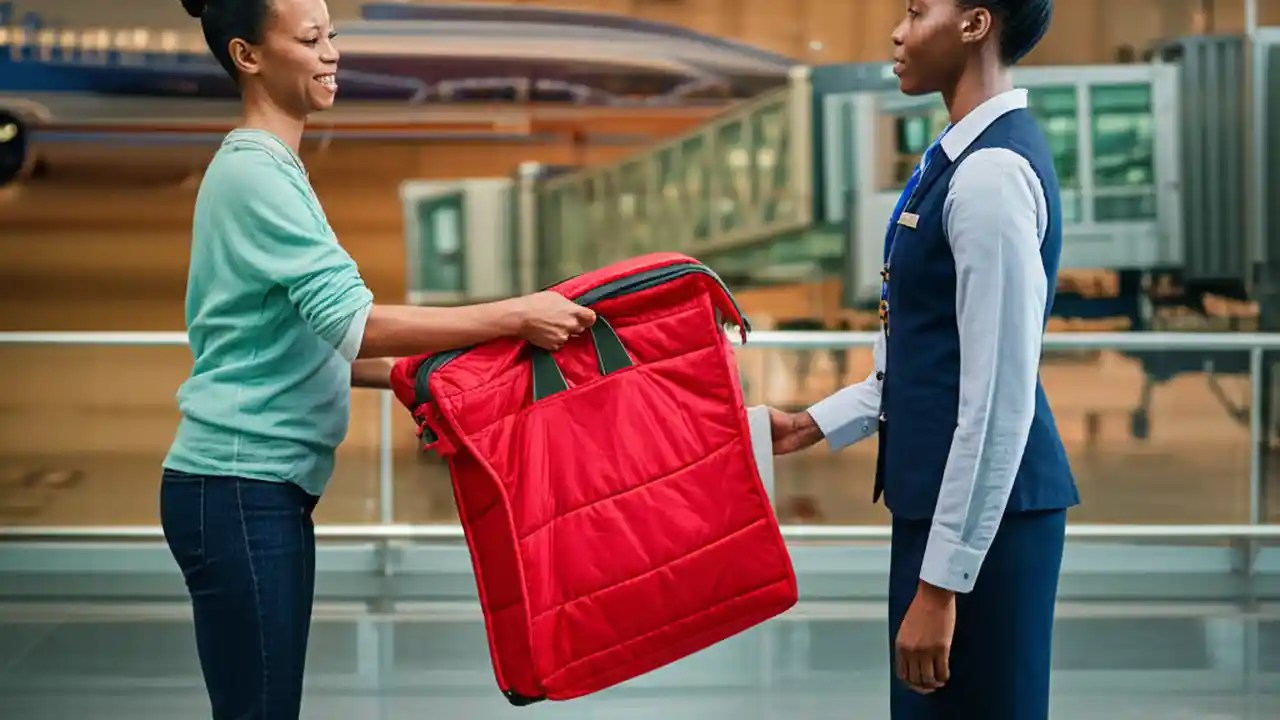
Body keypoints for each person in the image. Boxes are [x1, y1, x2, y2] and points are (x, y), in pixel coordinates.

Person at [159, 0, 596, 717]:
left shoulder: (273, 168)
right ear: (248, 56)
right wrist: (520, 313)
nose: (332, 52)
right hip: (237, 486)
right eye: (309, 38)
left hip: (255, 487)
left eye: (332, 35)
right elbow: (354, 325)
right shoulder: (256, 175)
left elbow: (309, 342)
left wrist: (415, 377)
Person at [769, 1, 1079, 718]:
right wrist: (814, 423)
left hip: (984, 530)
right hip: (945, 513)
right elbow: (927, 356)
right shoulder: (955, 160)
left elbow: (998, 398)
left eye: (916, 11)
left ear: (974, 25)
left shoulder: (990, 177)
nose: (898, 32)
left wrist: (942, 586)